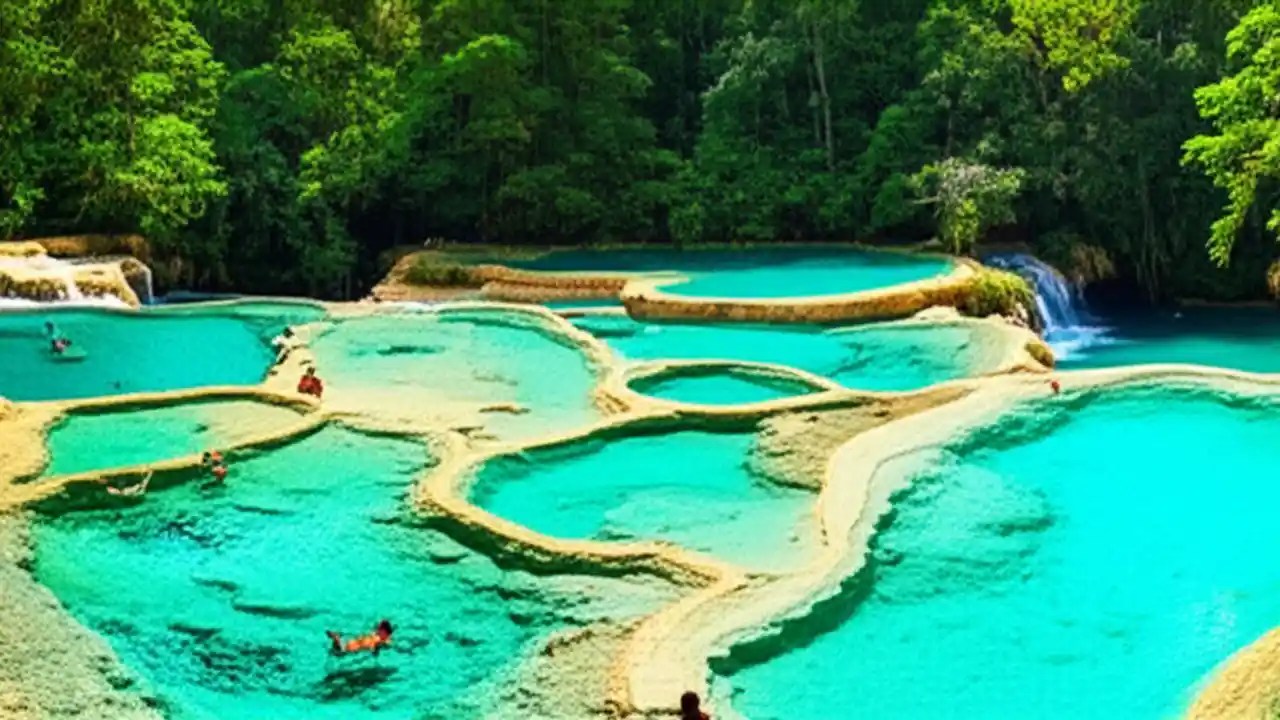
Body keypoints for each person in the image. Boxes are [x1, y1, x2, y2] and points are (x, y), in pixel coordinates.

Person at [327, 620, 394, 656]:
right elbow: (376, 650)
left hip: (357, 641)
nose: (378, 629)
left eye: (379, 628)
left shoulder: (376, 634)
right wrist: (376, 652)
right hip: (355, 645)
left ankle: (338, 639)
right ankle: (337, 639)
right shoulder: (380, 639)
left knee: (341, 648)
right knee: (341, 651)